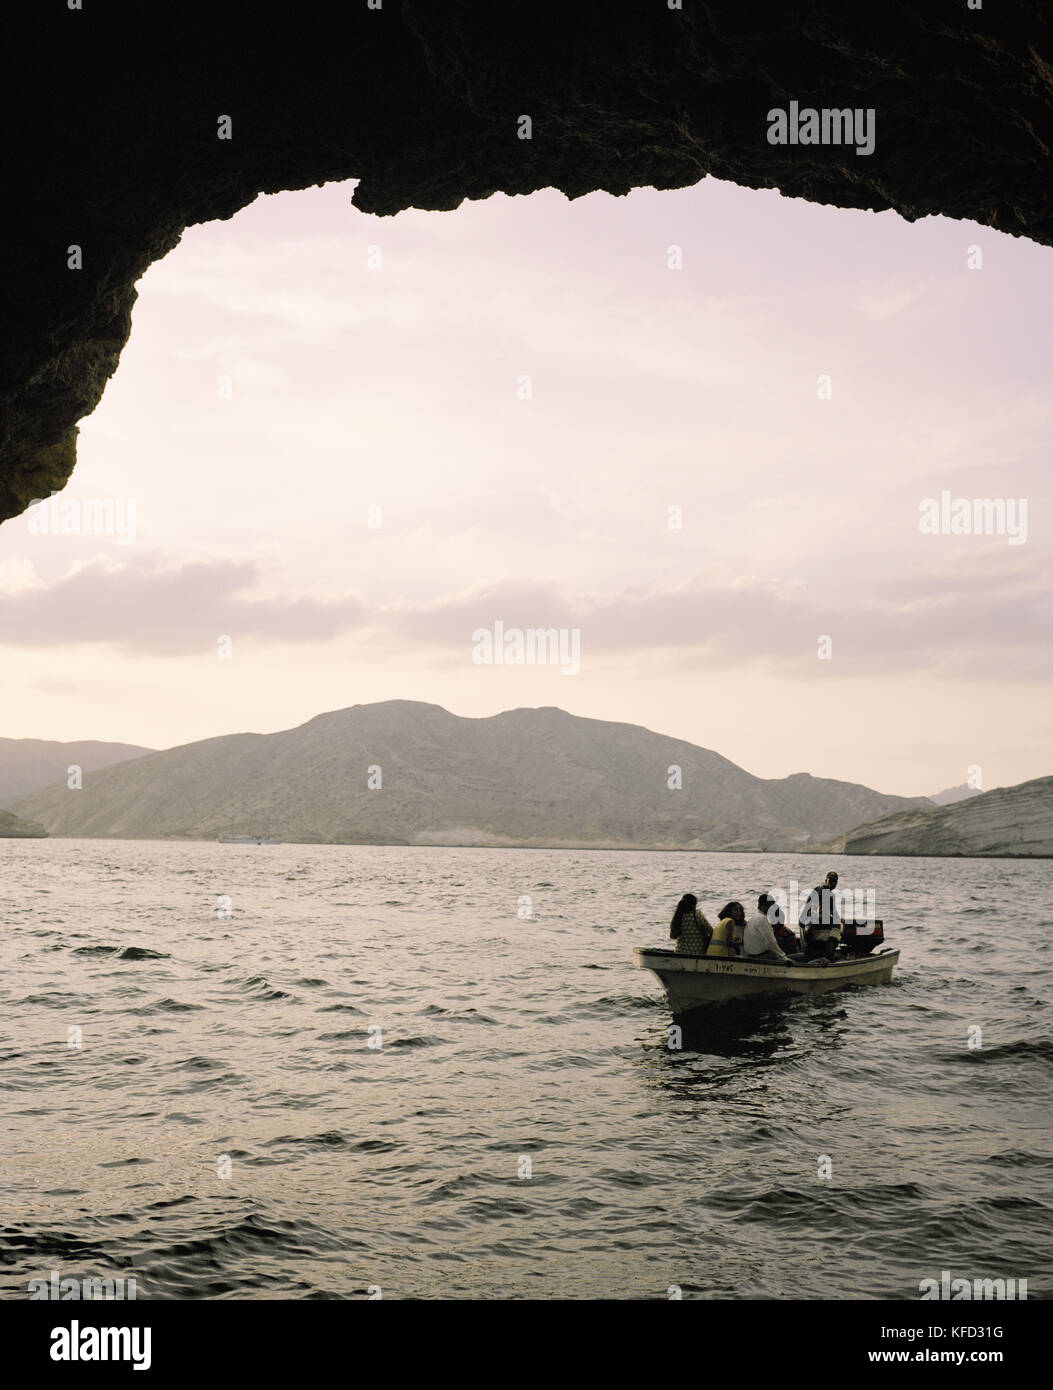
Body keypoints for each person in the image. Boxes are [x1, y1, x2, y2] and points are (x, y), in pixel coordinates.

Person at [743, 894, 798, 965]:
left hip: (750, 956)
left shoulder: (753, 918)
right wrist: (784, 958)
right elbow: (771, 941)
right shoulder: (762, 919)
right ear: (764, 906)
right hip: (761, 957)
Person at [800, 870, 842, 959]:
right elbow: (812, 907)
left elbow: (833, 911)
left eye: (835, 881)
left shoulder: (830, 895)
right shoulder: (820, 890)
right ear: (826, 880)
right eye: (831, 880)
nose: (833, 883)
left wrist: (839, 920)